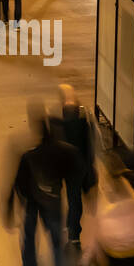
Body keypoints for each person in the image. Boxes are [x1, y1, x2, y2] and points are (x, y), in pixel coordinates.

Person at [7, 100, 81, 266]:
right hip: (53, 203)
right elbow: (76, 168)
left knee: (29, 236)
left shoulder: (28, 153)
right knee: (56, 245)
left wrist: (10, 205)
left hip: (32, 203)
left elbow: (17, 182)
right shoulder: (62, 150)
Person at [49, 85, 97, 248]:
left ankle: (64, 226)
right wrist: (89, 165)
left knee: (60, 196)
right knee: (74, 200)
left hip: (60, 164)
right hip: (77, 165)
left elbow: (51, 141)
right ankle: (74, 234)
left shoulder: (55, 116)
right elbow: (90, 144)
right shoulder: (84, 115)